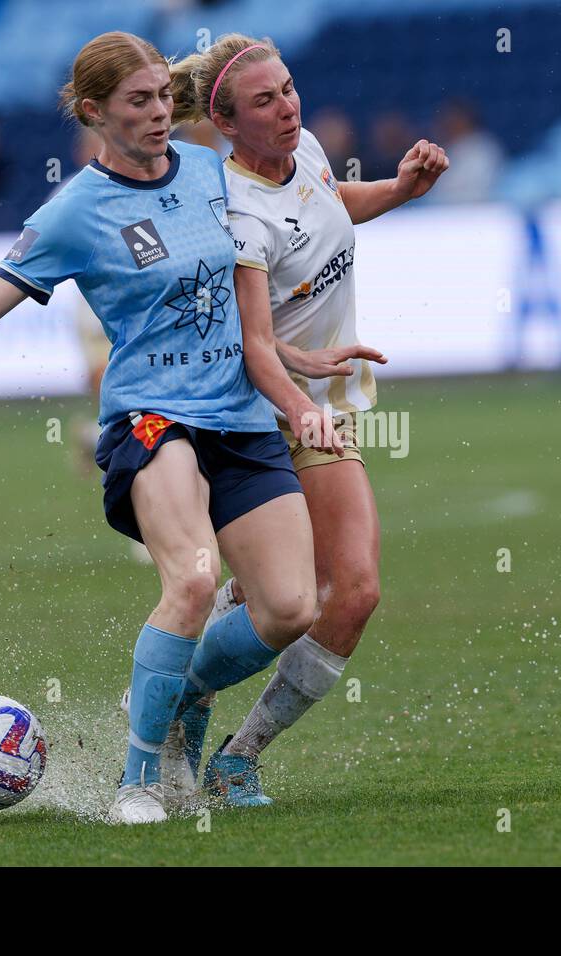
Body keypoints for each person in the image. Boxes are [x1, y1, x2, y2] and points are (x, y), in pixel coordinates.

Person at [0, 31, 344, 824]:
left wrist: (393, 195)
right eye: (139, 101)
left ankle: (172, 691)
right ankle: (139, 782)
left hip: (239, 414)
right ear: (94, 113)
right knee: (192, 580)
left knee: (292, 608)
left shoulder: (210, 169)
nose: (160, 112)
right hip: (151, 417)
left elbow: (278, 250)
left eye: (163, 96)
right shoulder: (75, 212)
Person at [159, 33, 448, 805]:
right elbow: (255, 346)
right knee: (298, 598)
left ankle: (235, 753)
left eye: (288, 89)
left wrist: (399, 190)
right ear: (227, 124)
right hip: (256, 416)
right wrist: (300, 406)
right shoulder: (238, 215)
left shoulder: (303, 148)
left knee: (353, 593)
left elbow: (327, 205)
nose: (287, 107)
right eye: (265, 101)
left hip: (316, 407)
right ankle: (179, 699)